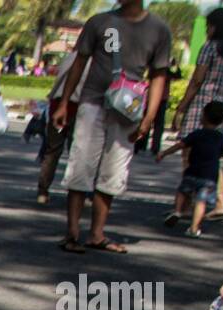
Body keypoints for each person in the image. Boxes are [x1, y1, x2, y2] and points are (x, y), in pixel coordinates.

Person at [53, 0, 171, 255]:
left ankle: (97, 233)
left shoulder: (159, 29)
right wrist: (64, 102)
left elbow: (159, 75)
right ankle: (72, 232)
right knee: (81, 164)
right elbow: (79, 62)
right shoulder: (99, 22)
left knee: (114, 170)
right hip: (93, 102)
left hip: (129, 110)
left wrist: (149, 117)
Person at [172, 8, 223, 224]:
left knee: (189, 151)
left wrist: (181, 107)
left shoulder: (209, 48)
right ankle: (220, 202)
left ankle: (187, 204)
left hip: (204, 103)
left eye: (208, 26)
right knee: (211, 156)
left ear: (213, 26)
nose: (207, 30)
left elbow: (197, 80)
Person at [156, 99, 223, 238]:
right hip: (209, 176)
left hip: (192, 171)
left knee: (182, 191)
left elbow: (180, 145)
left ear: (204, 116)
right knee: (201, 202)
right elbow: (222, 154)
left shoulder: (197, 134)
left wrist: (164, 153)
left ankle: (177, 211)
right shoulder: (221, 137)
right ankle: (194, 228)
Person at [36, 47, 86, 204]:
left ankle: (42, 191)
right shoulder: (93, 61)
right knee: (78, 153)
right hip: (79, 108)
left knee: (52, 151)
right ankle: (78, 193)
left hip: (57, 105)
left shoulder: (69, 58)